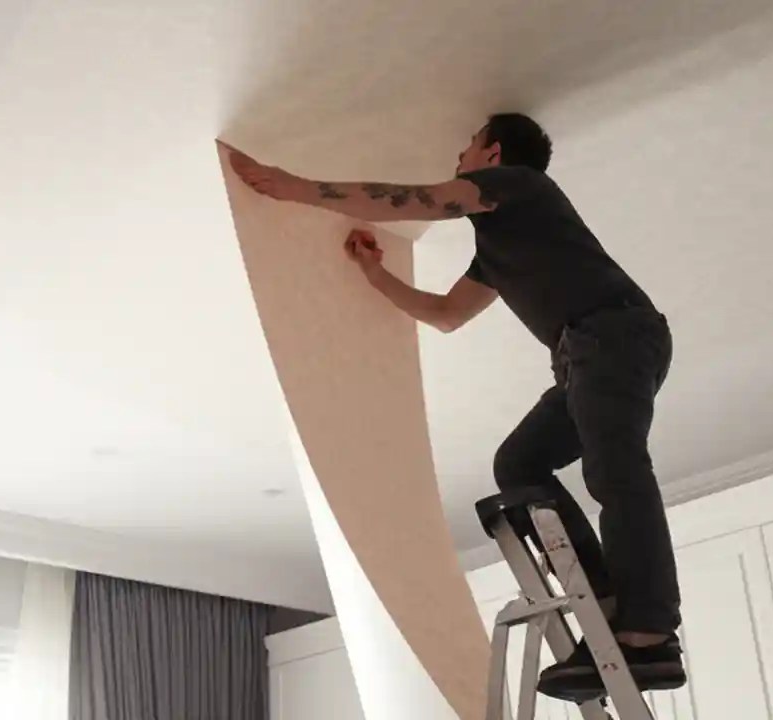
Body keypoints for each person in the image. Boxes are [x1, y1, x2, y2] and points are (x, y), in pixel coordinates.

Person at [229, 113, 685, 701]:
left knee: (615, 469)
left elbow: (416, 201)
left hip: (614, 335)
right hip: (583, 357)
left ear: (493, 155)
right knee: (519, 465)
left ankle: (650, 634)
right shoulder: (497, 249)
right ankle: (607, 606)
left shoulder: (520, 184)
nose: (458, 158)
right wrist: (373, 273)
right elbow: (447, 315)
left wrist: (298, 186)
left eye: (465, 148)